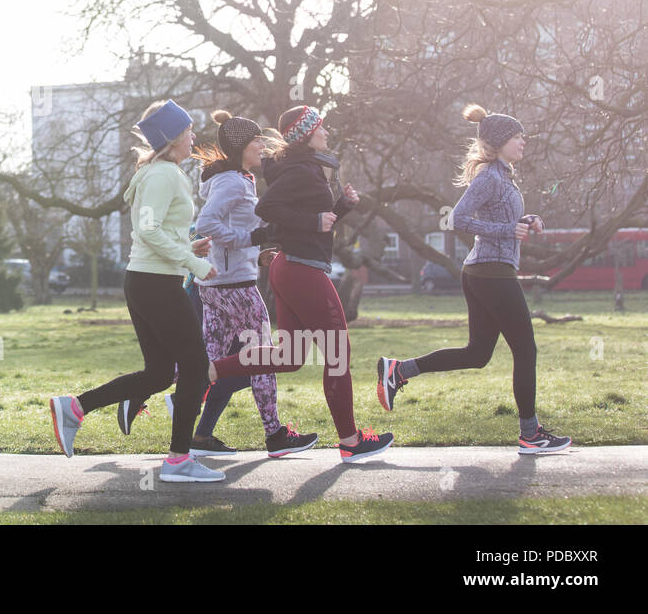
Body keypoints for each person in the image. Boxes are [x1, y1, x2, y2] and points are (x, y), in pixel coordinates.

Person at [378, 105, 572, 455]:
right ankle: (531, 434)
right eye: (517, 137)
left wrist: (527, 219)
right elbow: (457, 219)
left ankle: (399, 370)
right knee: (525, 350)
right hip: (491, 274)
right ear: (499, 143)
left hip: (487, 272)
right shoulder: (489, 176)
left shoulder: (504, 175)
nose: (523, 141)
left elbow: (499, 217)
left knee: (478, 353)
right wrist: (506, 229)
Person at [49, 99, 225, 482]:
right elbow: (148, 230)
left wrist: (186, 249)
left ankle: (75, 408)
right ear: (173, 137)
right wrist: (193, 263)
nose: (194, 134)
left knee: (161, 372)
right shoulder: (164, 174)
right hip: (155, 284)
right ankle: (179, 460)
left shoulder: (159, 173)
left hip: (147, 280)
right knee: (195, 365)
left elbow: (155, 231)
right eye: (188, 129)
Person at [207, 105, 395, 463]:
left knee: (290, 357)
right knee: (338, 354)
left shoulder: (305, 168)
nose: (326, 132)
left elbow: (312, 221)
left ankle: (212, 370)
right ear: (307, 134)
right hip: (301, 271)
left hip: (290, 266)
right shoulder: (302, 170)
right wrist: (314, 219)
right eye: (321, 127)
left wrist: (341, 209)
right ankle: (351, 441)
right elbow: (268, 209)